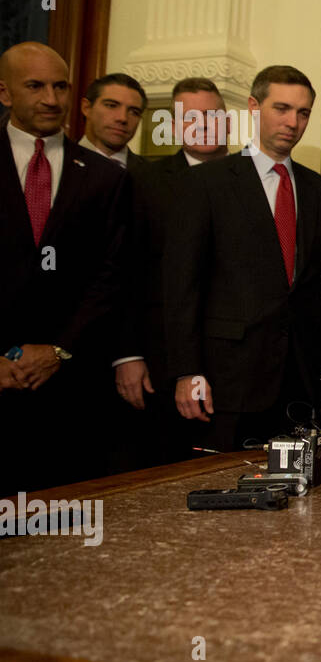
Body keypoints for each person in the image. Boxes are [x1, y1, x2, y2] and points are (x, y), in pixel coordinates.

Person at [164, 65, 321, 452]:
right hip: (226, 378)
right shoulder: (206, 182)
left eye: (303, 112)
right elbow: (182, 285)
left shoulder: (319, 190)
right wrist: (187, 371)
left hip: (299, 379)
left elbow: (315, 285)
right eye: (282, 108)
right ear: (254, 107)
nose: (293, 122)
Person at [0, 42, 130, 493]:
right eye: (35, 86)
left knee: (62, 529)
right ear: (5, 92)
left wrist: (58, 349)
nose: (51, 99)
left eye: (60, 86)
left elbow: (111, 277)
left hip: (71, 390)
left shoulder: (105, 177)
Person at [112, 78, 229, 466]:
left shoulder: (251, 178)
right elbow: (126, 273)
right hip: (159, 362)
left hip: (234, 363)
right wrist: (127, 354)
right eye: (191, 117)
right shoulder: (143, 182)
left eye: (212, 115)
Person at [79, 72, 146, 170]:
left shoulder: (154, 176)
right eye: (111, 106)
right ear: (87, 108)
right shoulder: (57, 161)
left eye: (134, 112)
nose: (122, 118)